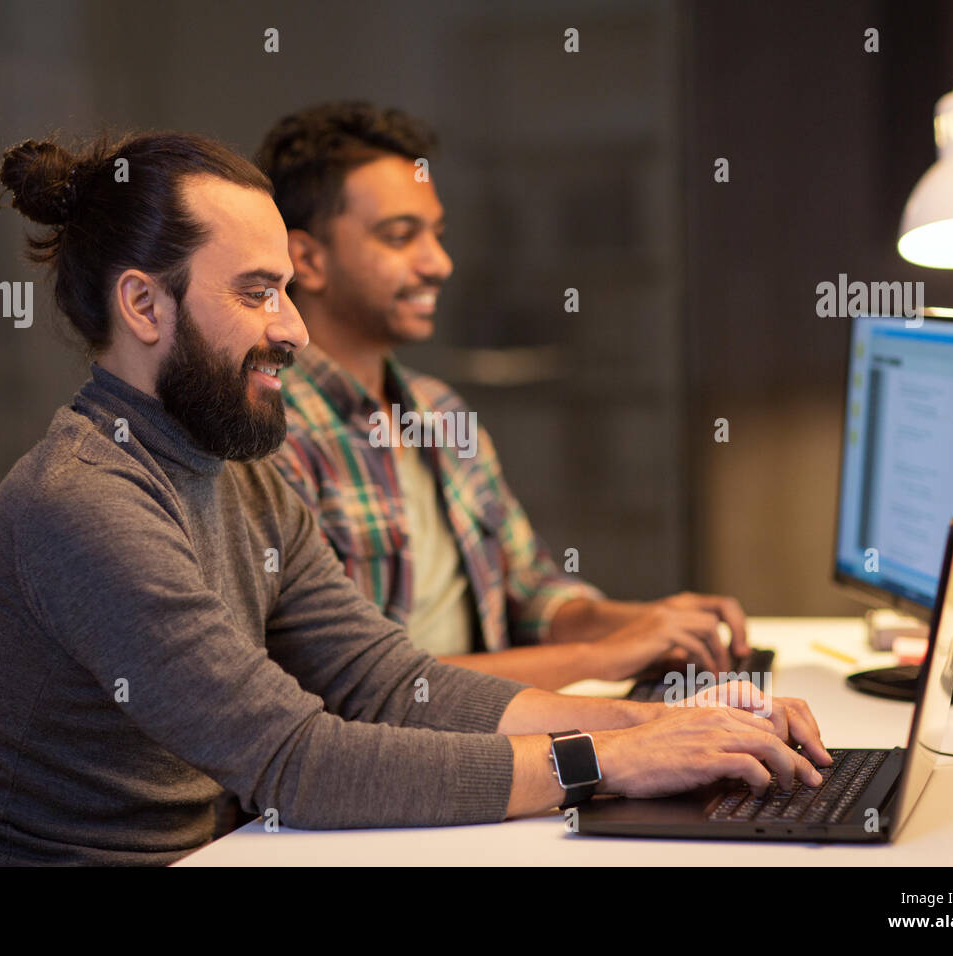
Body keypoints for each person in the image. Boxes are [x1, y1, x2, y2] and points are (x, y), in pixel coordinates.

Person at [0, 131, 828, 866]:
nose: (291, 328)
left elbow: (384, 681)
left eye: (286, 290)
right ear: (144, 306)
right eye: (255, 293)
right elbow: (298, 763)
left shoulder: (236, 471)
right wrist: (608, 763)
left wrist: (657, 726)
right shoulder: (84, 505)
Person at [258, 102, 753, 690]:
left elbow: (529, 591)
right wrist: (605, 658)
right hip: (406, 761)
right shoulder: (273, 432)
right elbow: (352, 685)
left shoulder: (438, 410)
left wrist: (645, 622)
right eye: (400, 237)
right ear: (307, 259)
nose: (438, 264)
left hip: (504, 725)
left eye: (437, 235)